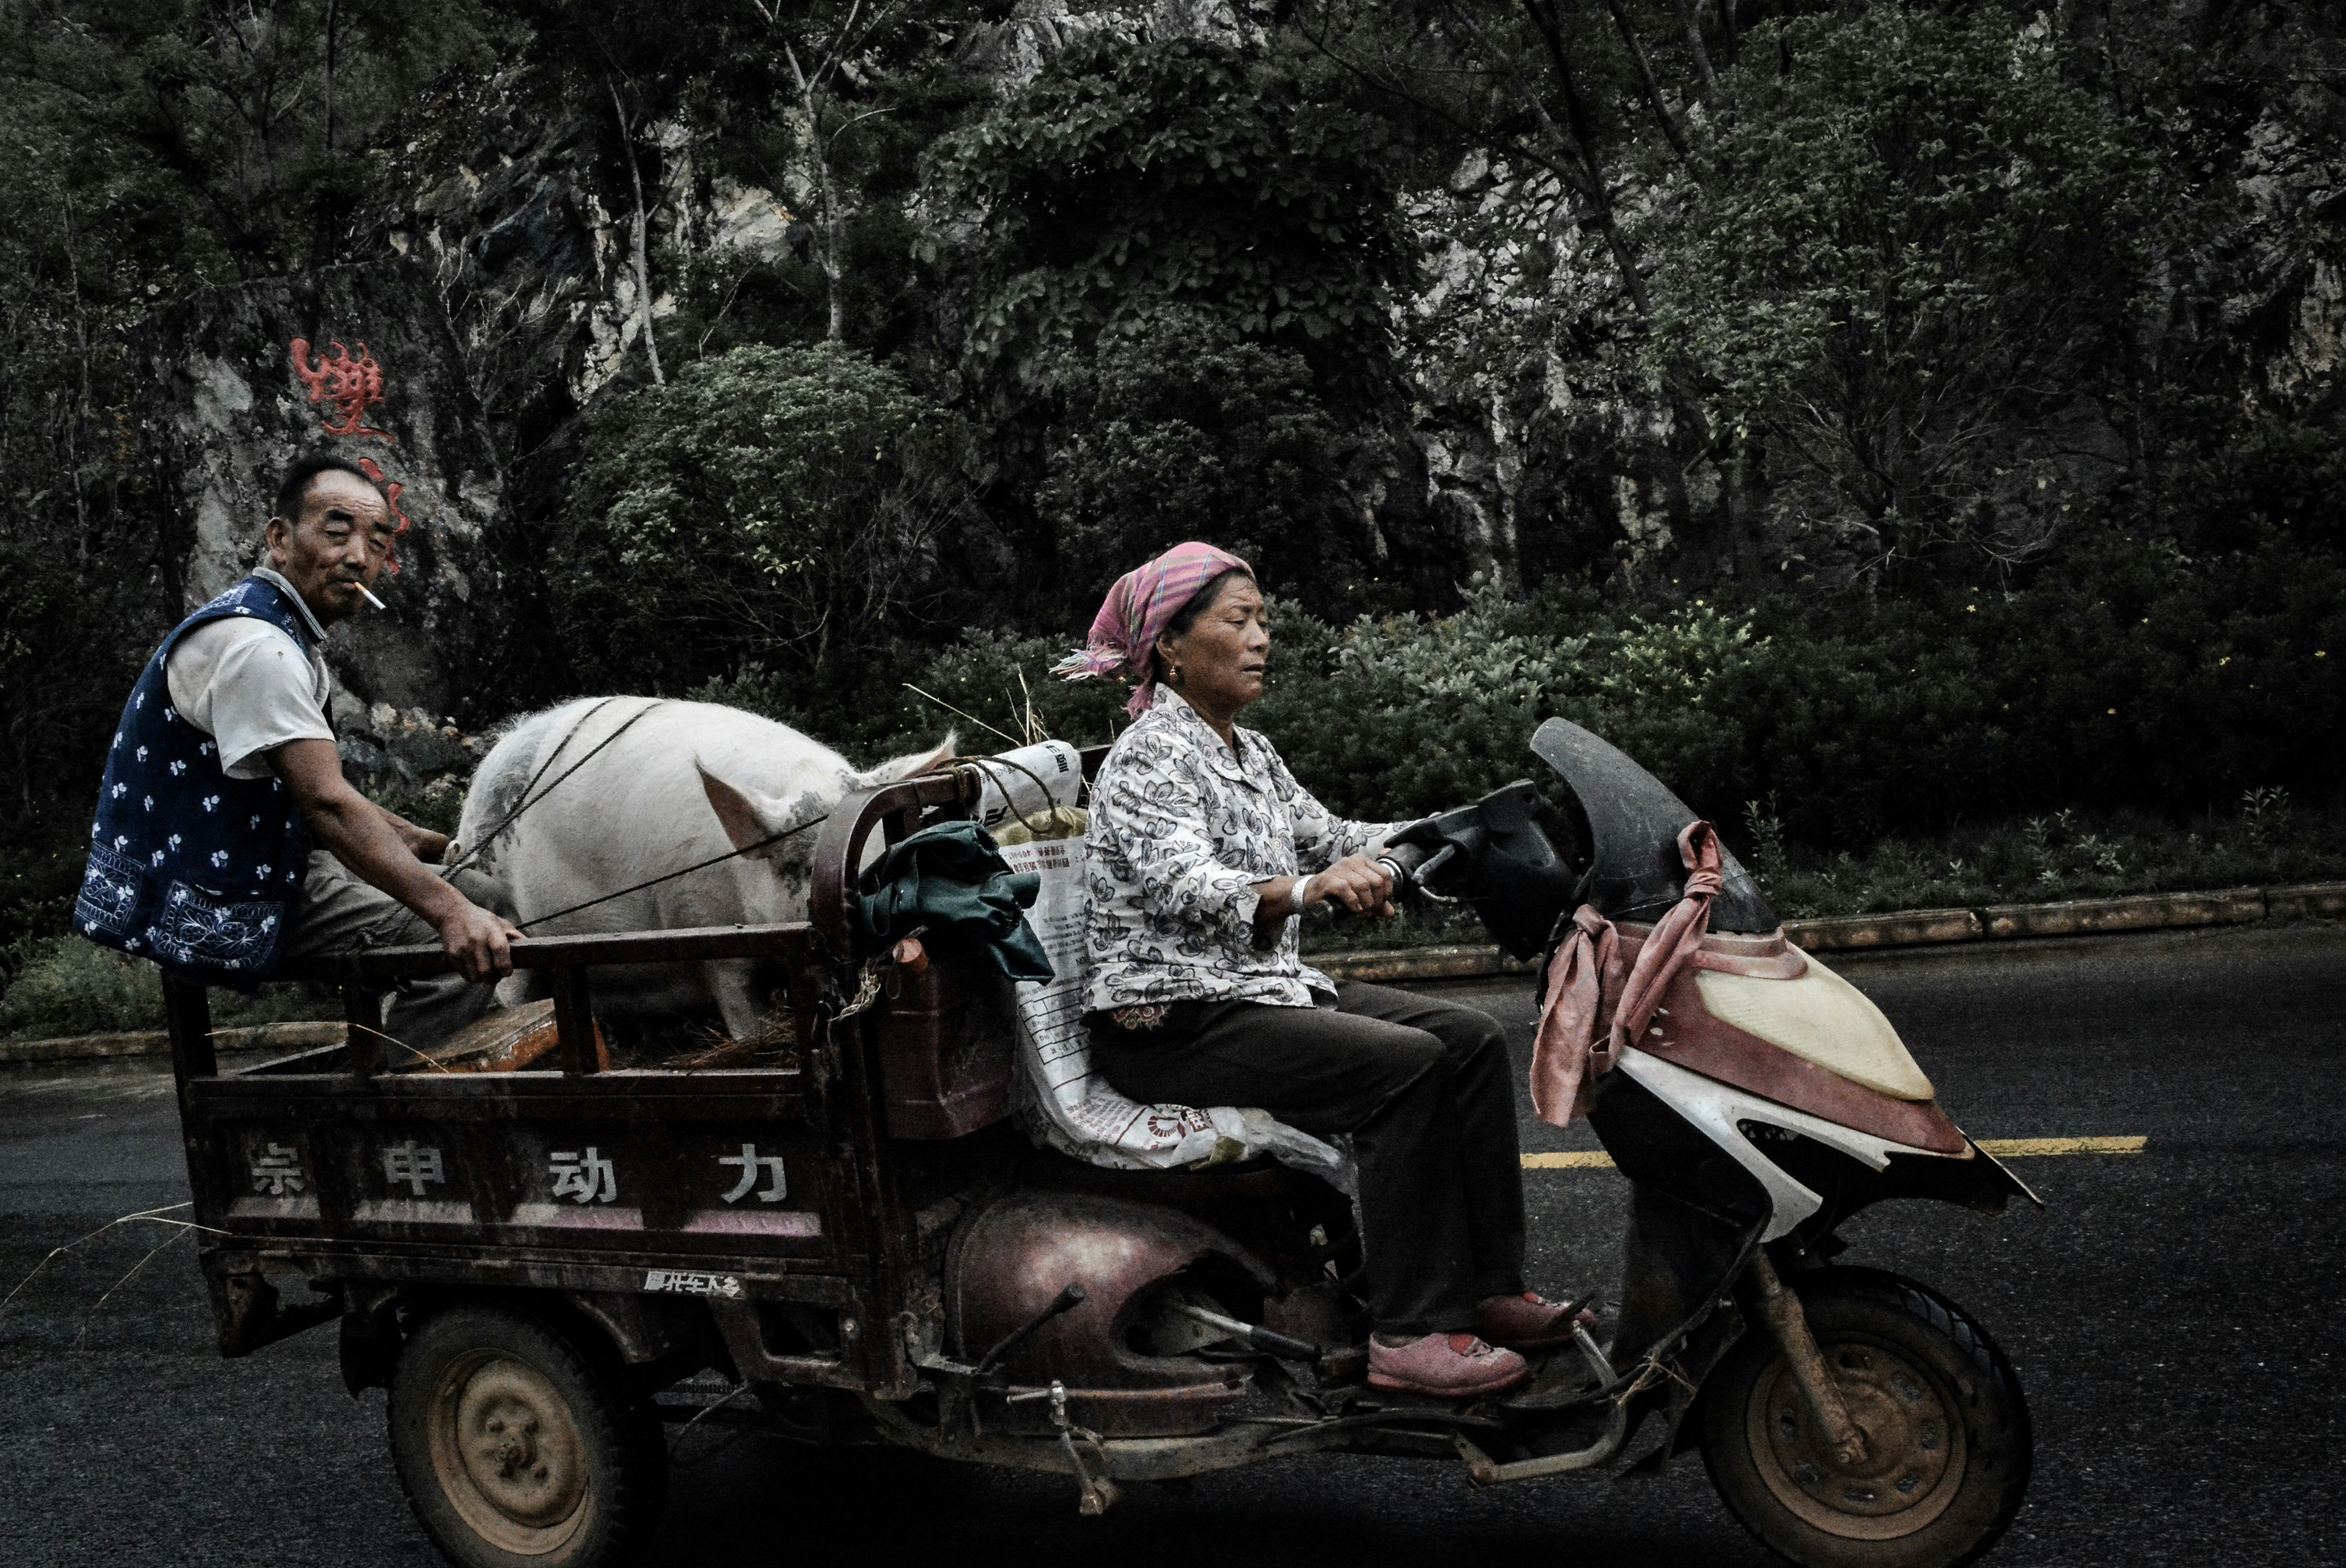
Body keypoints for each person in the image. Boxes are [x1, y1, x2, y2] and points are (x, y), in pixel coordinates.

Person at [1059, 542, 1582, 1399]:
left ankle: (1488, 1288)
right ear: (1171, 648)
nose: (1263, 636)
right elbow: (1183, 880)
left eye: (1262, 619)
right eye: (1239, 620)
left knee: (1469, 1037)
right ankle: (1409, 1330)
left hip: (1253, 993)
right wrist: (1307, 890)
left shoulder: (1249, 752)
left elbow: (1330, 833)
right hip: (1170, 1021)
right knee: (1403, 1071)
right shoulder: (1149, 755)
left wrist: (1442, 830)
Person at [77, 452, 519, 1056]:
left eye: (377, 542)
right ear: (280, 539)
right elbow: (325, 802)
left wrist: (419, 838)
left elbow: (306, 788)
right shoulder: (262, 648)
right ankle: (380, 1113)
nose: (359, 557)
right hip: (220, 888)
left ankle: (398, 1063)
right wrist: (447, 913)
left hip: (254, 861)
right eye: (336, 534)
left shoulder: (276, 628)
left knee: (488, 898)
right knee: (461, 942)